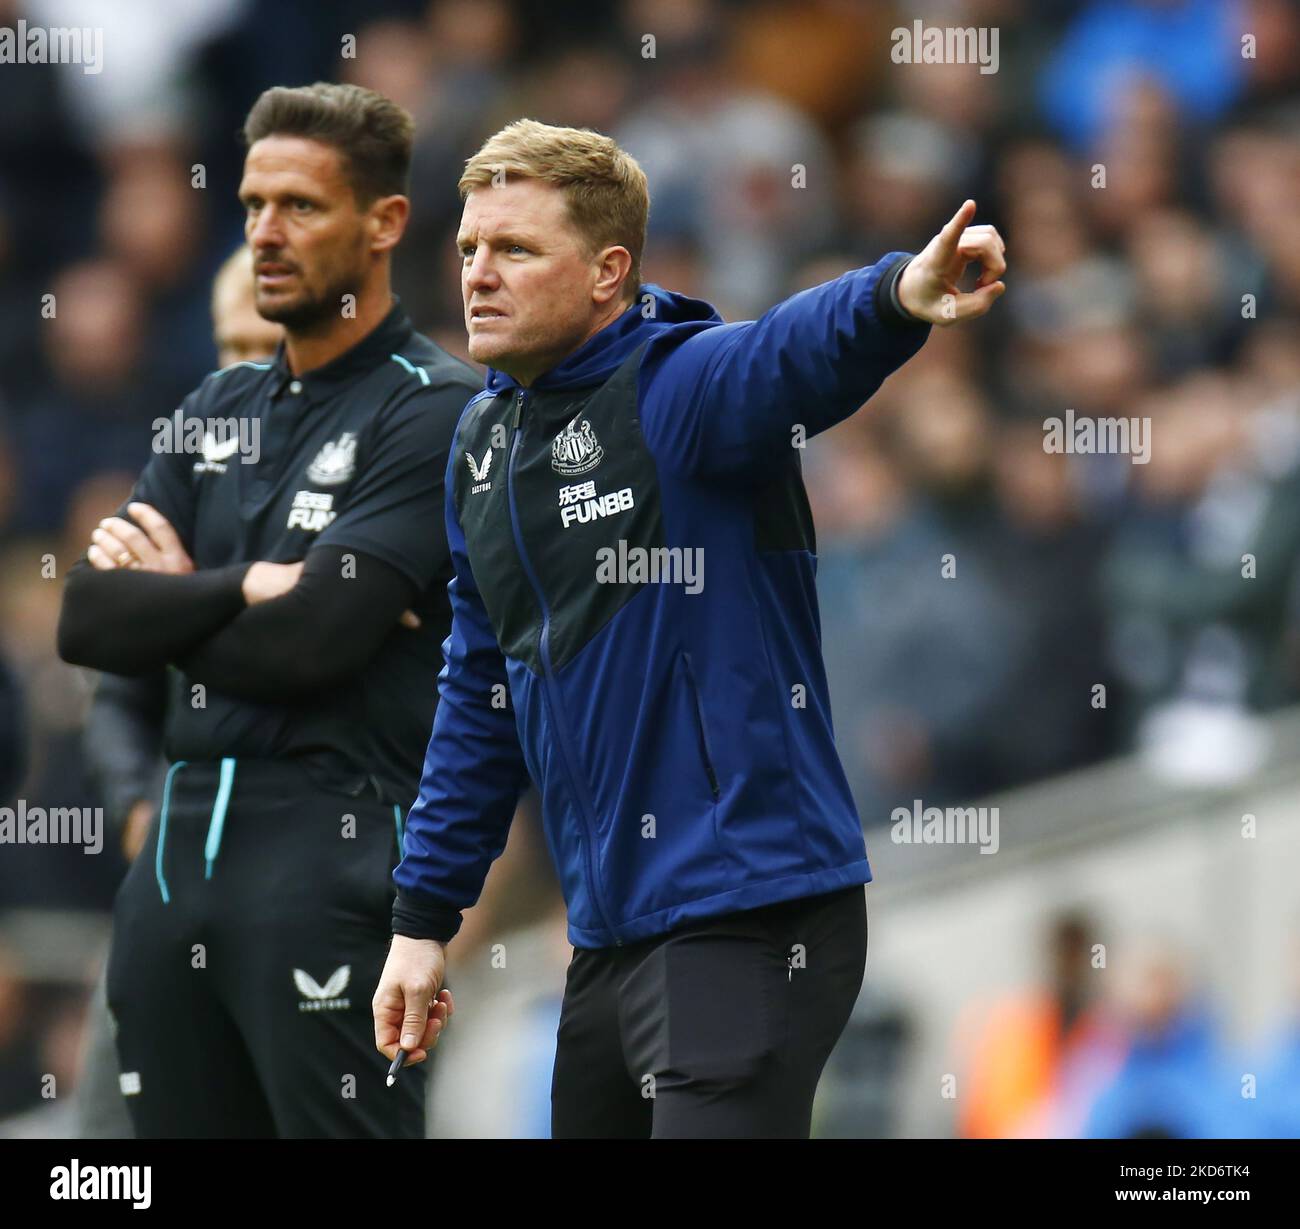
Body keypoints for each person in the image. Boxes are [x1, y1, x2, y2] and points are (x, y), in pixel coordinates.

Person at [373, 118, 1006, 1138]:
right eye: (468, 250)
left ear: (606, 272)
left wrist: (897, 295)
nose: (478, 275)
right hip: (610, 943)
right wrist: (421, 919)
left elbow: (785, 354)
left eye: (516, 250)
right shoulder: (481, 450)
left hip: (749, 918)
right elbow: (478, 696)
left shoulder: (680, 389)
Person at [57, 82, 477, 1138]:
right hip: (174, 861)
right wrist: (238, 585)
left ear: (384, 223)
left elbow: (315, 640)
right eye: (252, 204)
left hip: (328, 848)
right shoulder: (212, 408)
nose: (266, 233)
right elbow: (91, 624)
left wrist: (175, 609)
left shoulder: (437, 410)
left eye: (300, 205)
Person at [74, 244, 283, 1140]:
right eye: (226, 344)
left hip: (305, 888)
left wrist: (192, 597)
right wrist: (131, 801)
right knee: (109, 1135)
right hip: (173, 873)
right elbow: (115, 684)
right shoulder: (181, 495)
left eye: (262, 346)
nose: (241, 371)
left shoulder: (365, 501)